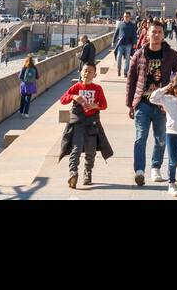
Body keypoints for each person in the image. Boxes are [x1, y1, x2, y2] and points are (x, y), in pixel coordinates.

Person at [125, 22, 177, 186]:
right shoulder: (139, 54)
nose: (156, 35)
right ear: (147, 33)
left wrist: (174, 90)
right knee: (140, 138)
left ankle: (155, 167)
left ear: (163, 35)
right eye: (154, 32)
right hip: (142, 103)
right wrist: (130, 104)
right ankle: (139, 171)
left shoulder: (171, 55)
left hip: (162, 105)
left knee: (160, 138)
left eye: (159, 32)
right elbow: (131, 79)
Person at [58, 61, 111, 189]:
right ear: (81, 73)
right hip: (78, 123)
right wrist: (74, 97)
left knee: (90, 151)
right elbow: (62, 100)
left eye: (90, 71)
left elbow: (104, 105)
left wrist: (95, 105)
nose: (87, 73)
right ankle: (73, 173)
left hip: (92, 123)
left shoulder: (98, 89)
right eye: (85, 71)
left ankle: (88, 172)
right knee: (75, 149)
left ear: (95, 74)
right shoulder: (76, 87)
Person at [112, 11, 137, 77]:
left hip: (129, 44)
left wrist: (135, 43)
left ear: (130, 17)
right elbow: (116, 33)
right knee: (118, 56)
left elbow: (134, 34)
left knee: (127, 58)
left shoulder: (132, 25)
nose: (126, 17)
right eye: (125, 16)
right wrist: (113, 41)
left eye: (127, 16)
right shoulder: (120, 24)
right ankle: (119, 69)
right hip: (121, 44)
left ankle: (125, 72)